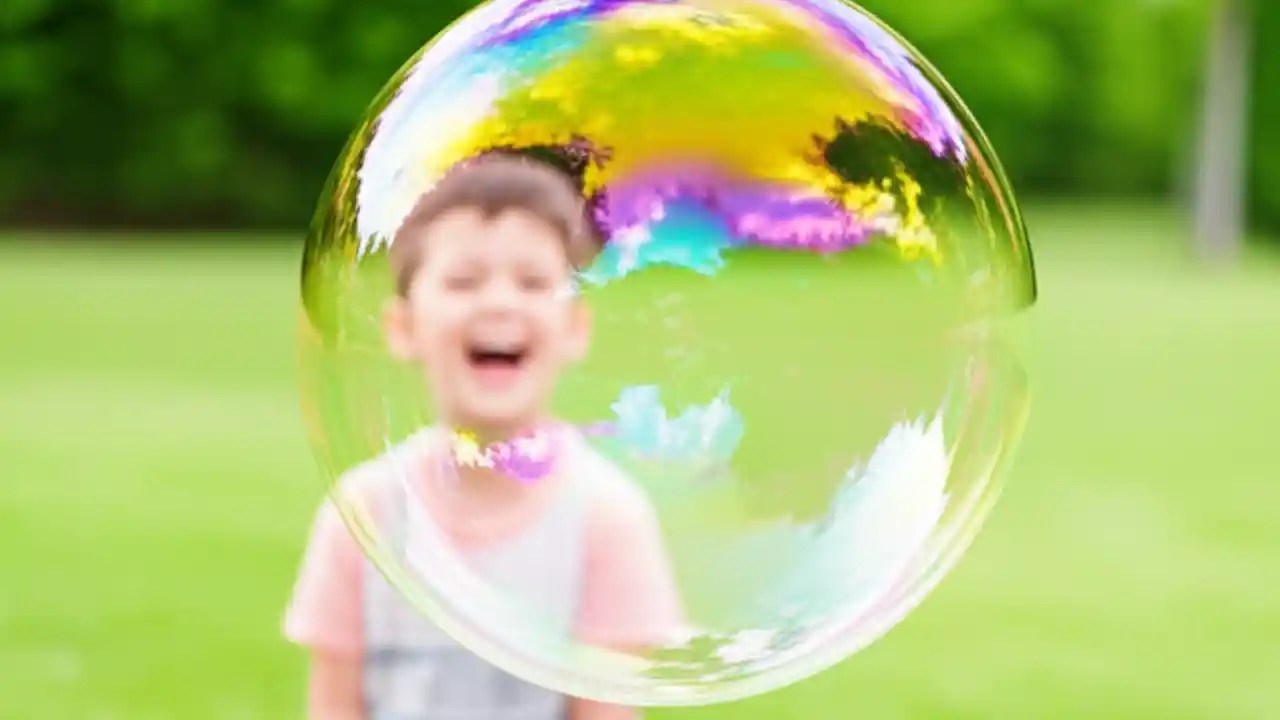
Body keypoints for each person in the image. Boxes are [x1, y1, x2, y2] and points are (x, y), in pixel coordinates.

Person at [284, 154, 685, 720]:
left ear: (575, 328)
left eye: (534, 282)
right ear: (403, 327)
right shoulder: (364, 513)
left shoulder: (607, 518)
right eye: (463, 280)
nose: (499, 301)